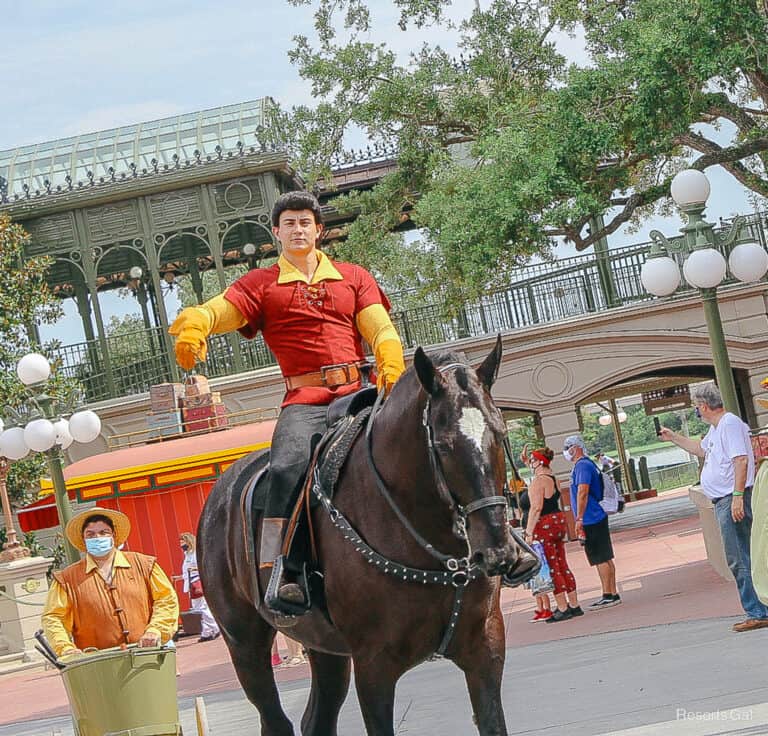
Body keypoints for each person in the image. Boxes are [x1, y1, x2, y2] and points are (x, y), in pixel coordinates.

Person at [169, 191, 406, 615]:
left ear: (320, 230)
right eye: (290, 223)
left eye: (306, 222)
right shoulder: (260, 284)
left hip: (361, 390)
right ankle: (285, 569)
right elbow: (223, 310)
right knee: (285, 467)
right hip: (306, 400)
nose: (298, 229)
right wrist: (197, 323)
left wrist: (390, 355)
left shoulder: (354, 276)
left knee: (419, 441)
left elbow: (378, 324)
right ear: (276, 232)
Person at [659, 383, 768, 632]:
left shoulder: (728, 424)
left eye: (697, 407)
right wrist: (673, 437)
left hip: (731, 498)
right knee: (742, 554)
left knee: (738, 556)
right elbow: (700, 449)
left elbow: (740, 459)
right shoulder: (716, 428)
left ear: (704, 406)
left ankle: (757, 610)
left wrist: (738, 495)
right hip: (725, 498)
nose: (697, 411)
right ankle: (758, 607)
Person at [42, 507, 179, 657]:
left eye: (103, 532)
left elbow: (166, 599)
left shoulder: (143, 564)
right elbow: (54, 617)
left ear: (113, 535)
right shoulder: (66, 579)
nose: (97, 537)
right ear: (83, 539)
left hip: (148, 654)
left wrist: (155, 630)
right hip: (97, 663)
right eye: (91, 534)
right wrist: (65, 648)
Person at [522, 447, 582, 622]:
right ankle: (574, 603)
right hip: (557, 520)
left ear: (539, 462)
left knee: (551, 565)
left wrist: (528, 532)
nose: (530, 464)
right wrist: (528, 462)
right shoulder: (553, 478)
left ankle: (562, 606)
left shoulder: (537, 482)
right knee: (562, 563)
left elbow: (536, 508)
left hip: (544, 525)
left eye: (532, 461)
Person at [563, 435, 621, 608]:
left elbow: (582, 492)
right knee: (605, 556)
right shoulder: (589, 464)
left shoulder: (582, 466)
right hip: (597, 515)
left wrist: (579, 518)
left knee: (599, 557)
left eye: (568, 447)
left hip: (590, 517)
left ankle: (608, 594)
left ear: (576, 447)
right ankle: (612, 592)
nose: (566, 451)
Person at [179, 531, 221, 643]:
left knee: (201, 608)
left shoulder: (195, 554)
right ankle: (206, 631)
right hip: (190, 583)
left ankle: (215, 627)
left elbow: (201, 567)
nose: (182, 545)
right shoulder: (187, 555)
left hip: (196, 582)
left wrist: (191, 570)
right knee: (199, 609)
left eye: (183, 543)